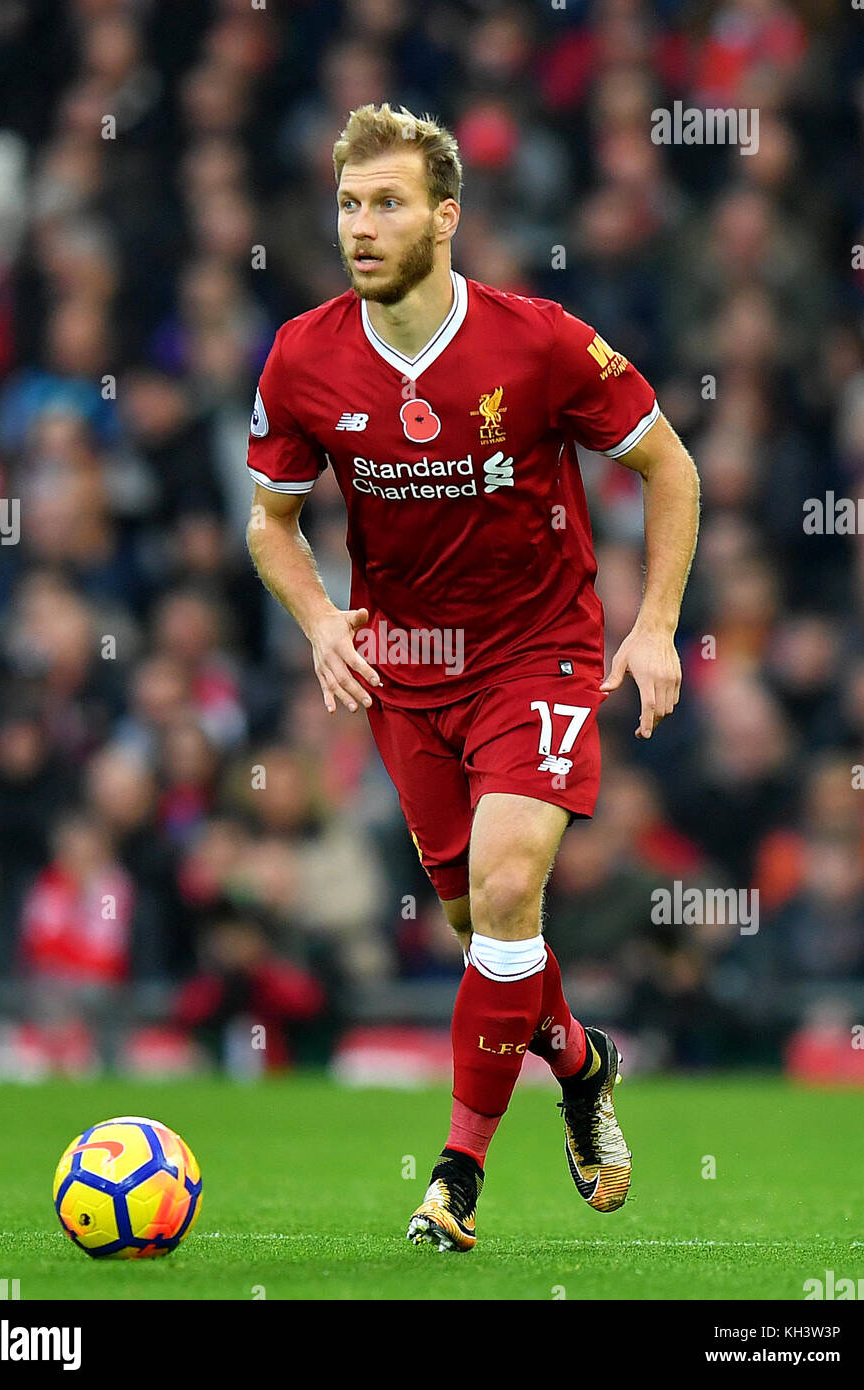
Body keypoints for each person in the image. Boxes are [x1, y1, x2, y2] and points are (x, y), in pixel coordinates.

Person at [247, 103, 699, 1252]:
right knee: (476, 922)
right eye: (349, 203)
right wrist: (317, 621)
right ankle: (581, 1059)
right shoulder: (303, 356)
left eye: (387, 202)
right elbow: (270, 521)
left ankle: (457, 1173)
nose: (361, 224)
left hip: (538, 650)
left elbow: (669, 466)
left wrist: (652, 626)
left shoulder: (539, 341)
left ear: (447, 216)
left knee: (505, 893)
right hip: (407, 670)